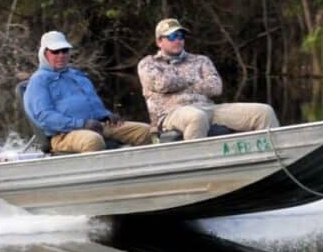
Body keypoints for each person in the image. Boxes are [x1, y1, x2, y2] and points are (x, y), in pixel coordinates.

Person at [137, 18, 278, 140]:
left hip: (208, 107)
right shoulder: (148, 63)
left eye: (181, 36)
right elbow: (163, 84)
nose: (178, 40)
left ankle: (274, 154)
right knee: (196, 117)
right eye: (172, 36)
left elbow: (216, 87)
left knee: (264, 112)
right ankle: (195, 164)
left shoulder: (200, 60)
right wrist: (195, 81)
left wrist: (180, 82)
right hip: (170, 114)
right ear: (159, 41)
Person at [24, 31, 152, 153]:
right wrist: (81, 124)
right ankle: (100, 175)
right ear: (44, 54)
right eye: (55, 51)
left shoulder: (77, 75)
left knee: (144, 131)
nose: (61, 55)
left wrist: (105, 115)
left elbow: (93, 105)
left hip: (96, 126)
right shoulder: (38, 81)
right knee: (92, 141)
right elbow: (45, 117)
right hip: (62, 135)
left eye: (65, 50)